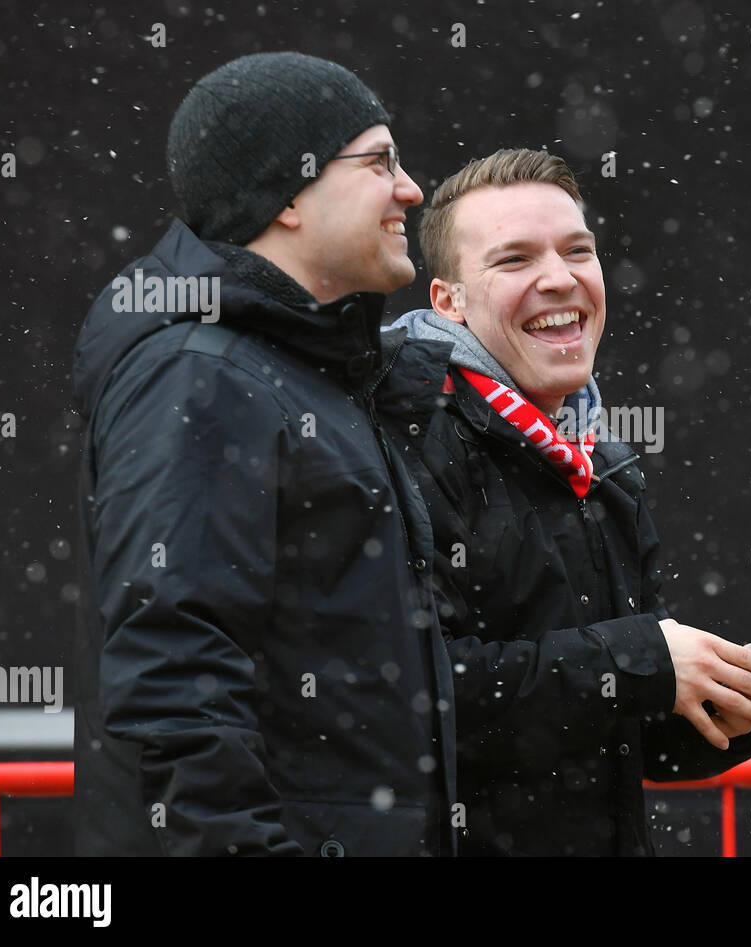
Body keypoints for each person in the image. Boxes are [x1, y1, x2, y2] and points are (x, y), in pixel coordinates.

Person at [71, 51, 456, 856]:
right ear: (286, 193)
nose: (411, 189)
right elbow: (172, 678)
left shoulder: (299, 372)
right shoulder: (201, 373)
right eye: (380, 160)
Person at [378, 148, 751, 855]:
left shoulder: (599, 460)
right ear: (449, 302)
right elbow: (416, 700)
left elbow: (608, 734)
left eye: (578, 250)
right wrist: (642, 657)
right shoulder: (405, 438)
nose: (559, 278)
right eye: (514, 260)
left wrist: (719, 702)